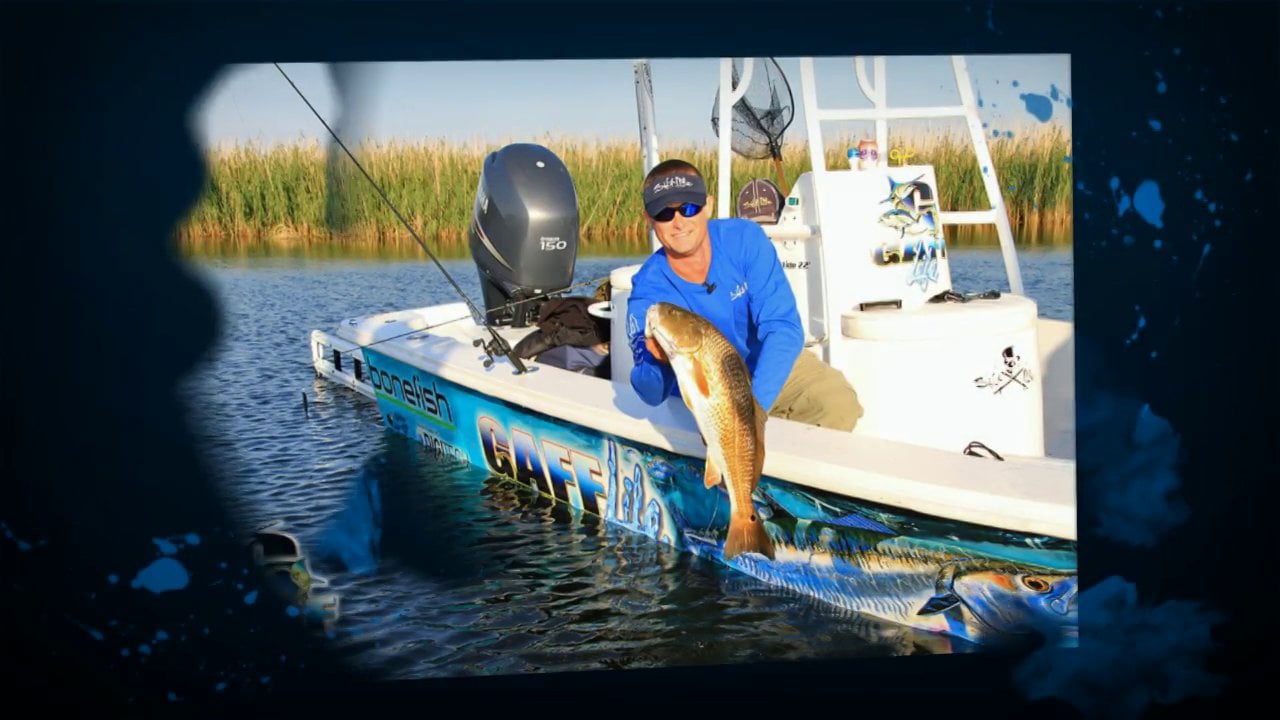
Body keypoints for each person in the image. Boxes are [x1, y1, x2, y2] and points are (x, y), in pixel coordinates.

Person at [625, 159, 862, 431]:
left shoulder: (744, 239)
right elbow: (650, 393)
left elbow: (783, 328)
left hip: (763, 359)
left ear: (708, 205)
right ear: (649, 220)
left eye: (688, 208)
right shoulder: (649, 294)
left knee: (837, 401)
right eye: (665, 214)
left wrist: (751, 413)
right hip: (706, 388)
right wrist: (655, 362)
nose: (678, 222)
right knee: (718, 435)